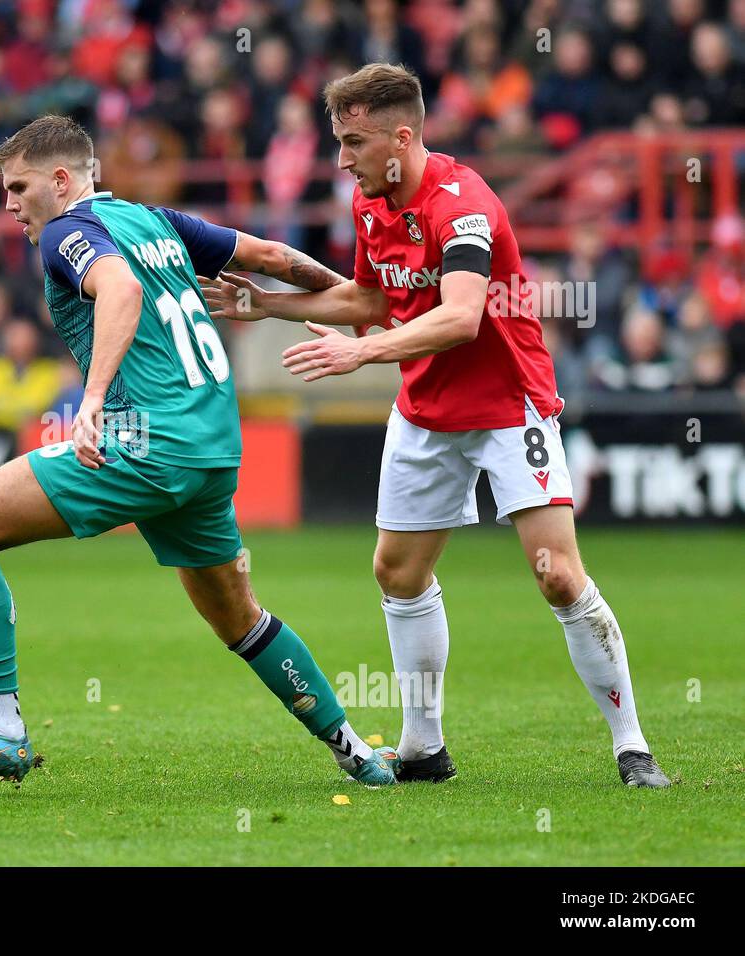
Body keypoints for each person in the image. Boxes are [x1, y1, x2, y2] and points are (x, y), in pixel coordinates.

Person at [201, 63, 669, 788]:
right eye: (338, 141)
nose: (343, 158)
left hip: (508, 404)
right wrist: (269, 305)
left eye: (353, 142)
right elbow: (366, 298)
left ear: (402, 136)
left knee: (556, 575)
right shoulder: (370, 204)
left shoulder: (464, 205)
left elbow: (460, 316)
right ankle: (424, 750)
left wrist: (363, 354)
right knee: (397, 571)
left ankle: (632, 746)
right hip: (427, 408)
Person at [0, 115, 397, 788]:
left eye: (19, 187)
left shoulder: (65, 233)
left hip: (146, 443)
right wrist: (358, 299)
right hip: (213, 450)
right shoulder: (158, 220)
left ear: (60, 180)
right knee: (239, 618)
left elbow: (123, 289)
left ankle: (0, 731)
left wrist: (92, 400)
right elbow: (276, 260)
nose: (11, 204)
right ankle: (356, 751)